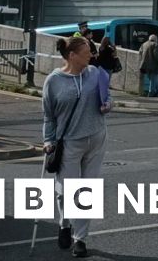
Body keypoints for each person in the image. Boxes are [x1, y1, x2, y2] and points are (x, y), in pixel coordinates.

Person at [43, 36, 110, 258]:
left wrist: (108, 104)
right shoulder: (53, 81)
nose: (91, 55)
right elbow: (48, 116)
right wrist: (48, 140)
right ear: (72, 56)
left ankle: (80, 239)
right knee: (66, 191)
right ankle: (64, 223)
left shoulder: (95, 73)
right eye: (86, 52)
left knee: (87, 190)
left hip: (96, 137)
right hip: (69, 141)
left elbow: (107, 98)